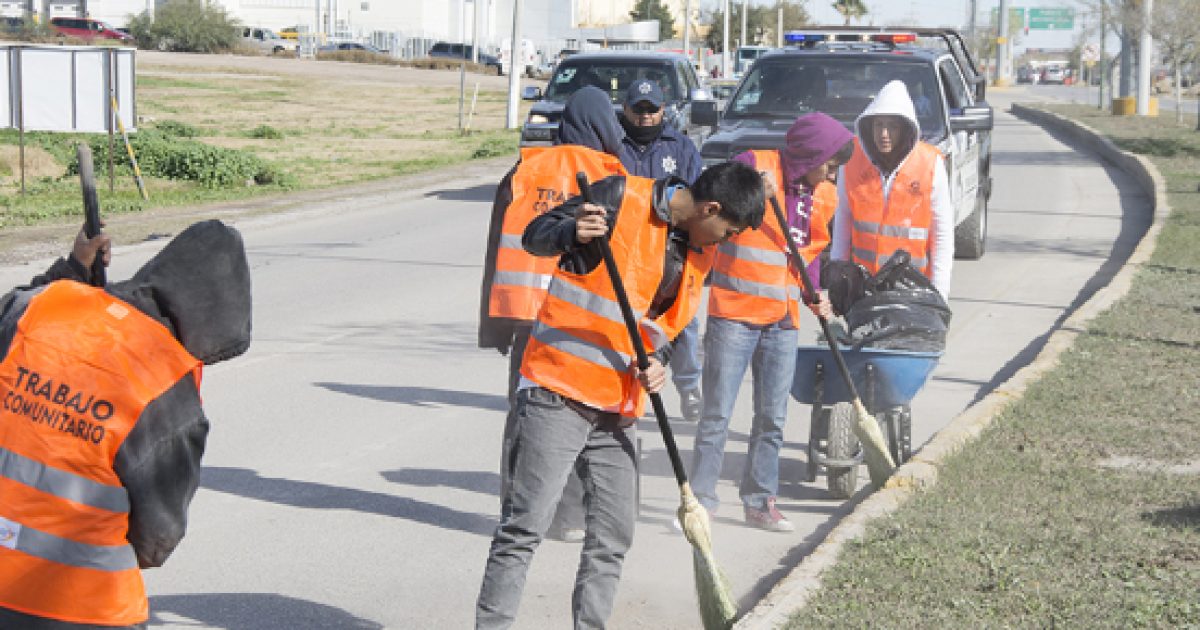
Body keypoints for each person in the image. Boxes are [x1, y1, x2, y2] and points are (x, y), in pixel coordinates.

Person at [475, 161, 766, 629]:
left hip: (618, 409)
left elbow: (665, 329)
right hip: (558, 390)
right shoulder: (618, 197)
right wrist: (573, 230)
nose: (724, 242)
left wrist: (660, 363)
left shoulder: (700, 254)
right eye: (727, 230)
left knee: (612, 536)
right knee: (523, 528)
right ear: (709, 208)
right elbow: (534, 236)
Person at [0, 220, 252, 630]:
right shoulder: (166, 386)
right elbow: (157, 539)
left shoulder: (46, 306)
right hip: (82, 606)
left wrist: (75, 269)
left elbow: (13, 310)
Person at [688, 113, 853, 532]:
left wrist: (816, 293)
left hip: (783, 321)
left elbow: (811, 253)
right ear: (810, 154)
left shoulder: (825, 195)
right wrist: (748, 190)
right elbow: (707, 204)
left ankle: (760, 501)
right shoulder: (754, 164)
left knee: (772, 419)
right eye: (829, 163)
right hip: (734, 316)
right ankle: (702, 501)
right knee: (716, 415)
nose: (831, 173)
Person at [479, 85, 630, 544]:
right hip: (580, 316)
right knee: (577, 414)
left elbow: (496, 249)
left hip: (524, 315)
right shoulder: (613, 173)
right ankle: (568, 516)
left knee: (524, 417)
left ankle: (517, 511)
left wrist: (495, 325)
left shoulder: (525, 169)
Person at [616, 78, 706, 423]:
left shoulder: (680, 148)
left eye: (652, 109)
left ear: (663, 110)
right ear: (626, 110)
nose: (645, 116)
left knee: (681, 321)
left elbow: (697, 199)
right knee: (628, 320)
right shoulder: (614, 145)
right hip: (626, 251)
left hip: (670, 250)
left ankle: (689, 385)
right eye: (638, 110)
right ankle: (628, 386)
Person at [830, 79, 953, 299]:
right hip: (863, 287)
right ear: (869, 126)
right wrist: (838, 277)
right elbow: (843, 220)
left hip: (912, 288)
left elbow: (942, 235)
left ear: (905, 129)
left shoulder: (930, 163)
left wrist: (940, 295)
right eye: (879, 125)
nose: (884, 134)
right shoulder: (852, 159)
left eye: (892, 126)